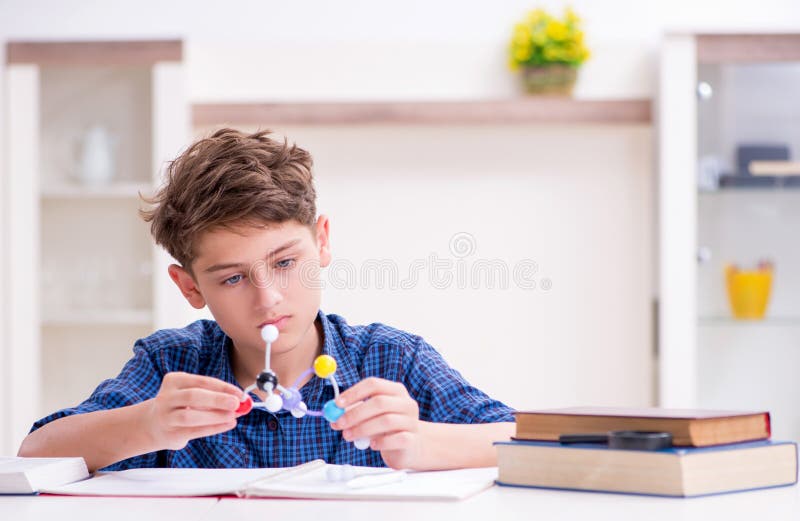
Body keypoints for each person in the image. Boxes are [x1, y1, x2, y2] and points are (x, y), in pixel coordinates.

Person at [18, 129, 515, 472]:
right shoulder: (171, 365)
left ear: (321, 243)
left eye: (284, 262)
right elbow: (35, 453)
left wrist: (426, 442)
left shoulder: (391, 360)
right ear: (190, 287)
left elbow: (525, 441)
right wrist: (148, 423)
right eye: (233, 279)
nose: (269, 298)